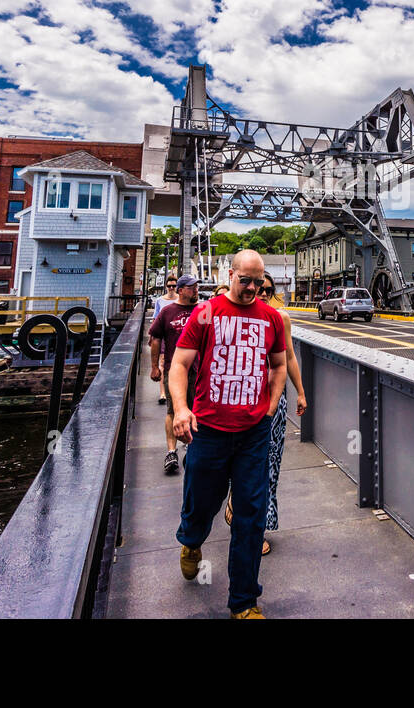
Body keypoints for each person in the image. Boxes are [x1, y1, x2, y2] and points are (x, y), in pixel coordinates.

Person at [169, 250, 287, 619]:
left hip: (254, 433)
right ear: (231, 274)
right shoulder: (205, 314)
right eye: (245, 280)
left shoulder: (271, 318)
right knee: (201, 502)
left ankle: (245, 602)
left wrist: (271, 405)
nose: (253, 288)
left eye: (259, 282)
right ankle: (191, 542)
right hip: (208, 430)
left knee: (251, 517)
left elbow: (280, 365)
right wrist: (181, 407)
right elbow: (179, 364)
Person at [224, 270, 307, 555]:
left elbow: (289, 357)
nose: (261, 294)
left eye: (267, 290)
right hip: (239, 402)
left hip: (273, 405)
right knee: (240, 463)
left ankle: (255, 530)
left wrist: (301, 392)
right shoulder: (233, 315)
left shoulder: (279, 318)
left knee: (268, 467)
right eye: (258, 287)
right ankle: (236, 501)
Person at [148, 274, 200, 474]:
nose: (195, 290)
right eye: (190, 287)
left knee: (196, 409)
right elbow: (156, 339)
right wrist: (155, 367)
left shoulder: (202, 310)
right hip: (173, 369)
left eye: (196, 287)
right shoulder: (168, 311)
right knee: (173, 410)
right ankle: (171, 451)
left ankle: (193, 446)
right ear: (180, 290)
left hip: (198, 369)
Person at [152, 275, 179, 404]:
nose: (171, 288)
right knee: (162, 362)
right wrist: (152, 336)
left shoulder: (181, 300)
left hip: (178, 334)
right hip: (163, 334)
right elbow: (155, 319)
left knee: (176, 362)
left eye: (174, 286)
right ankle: (163, 393)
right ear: (166, 287)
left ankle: (174, 390)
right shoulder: (160, 300)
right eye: (169, 286)